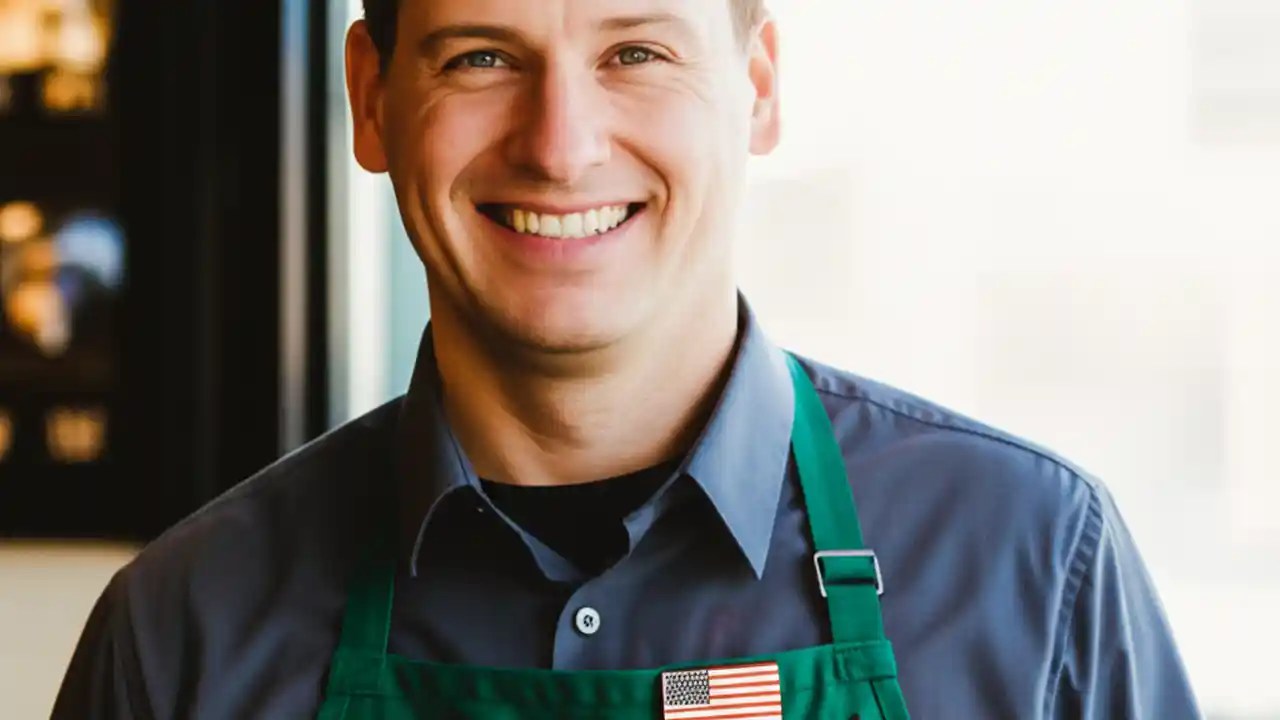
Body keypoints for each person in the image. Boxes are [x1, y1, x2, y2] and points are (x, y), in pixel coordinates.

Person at [54, 0, 1203, 717]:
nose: (560, 146)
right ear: (369, 99)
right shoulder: (180, 633)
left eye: (637, 50)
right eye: (480, 58)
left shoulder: (1033, 566)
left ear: (754, 90)